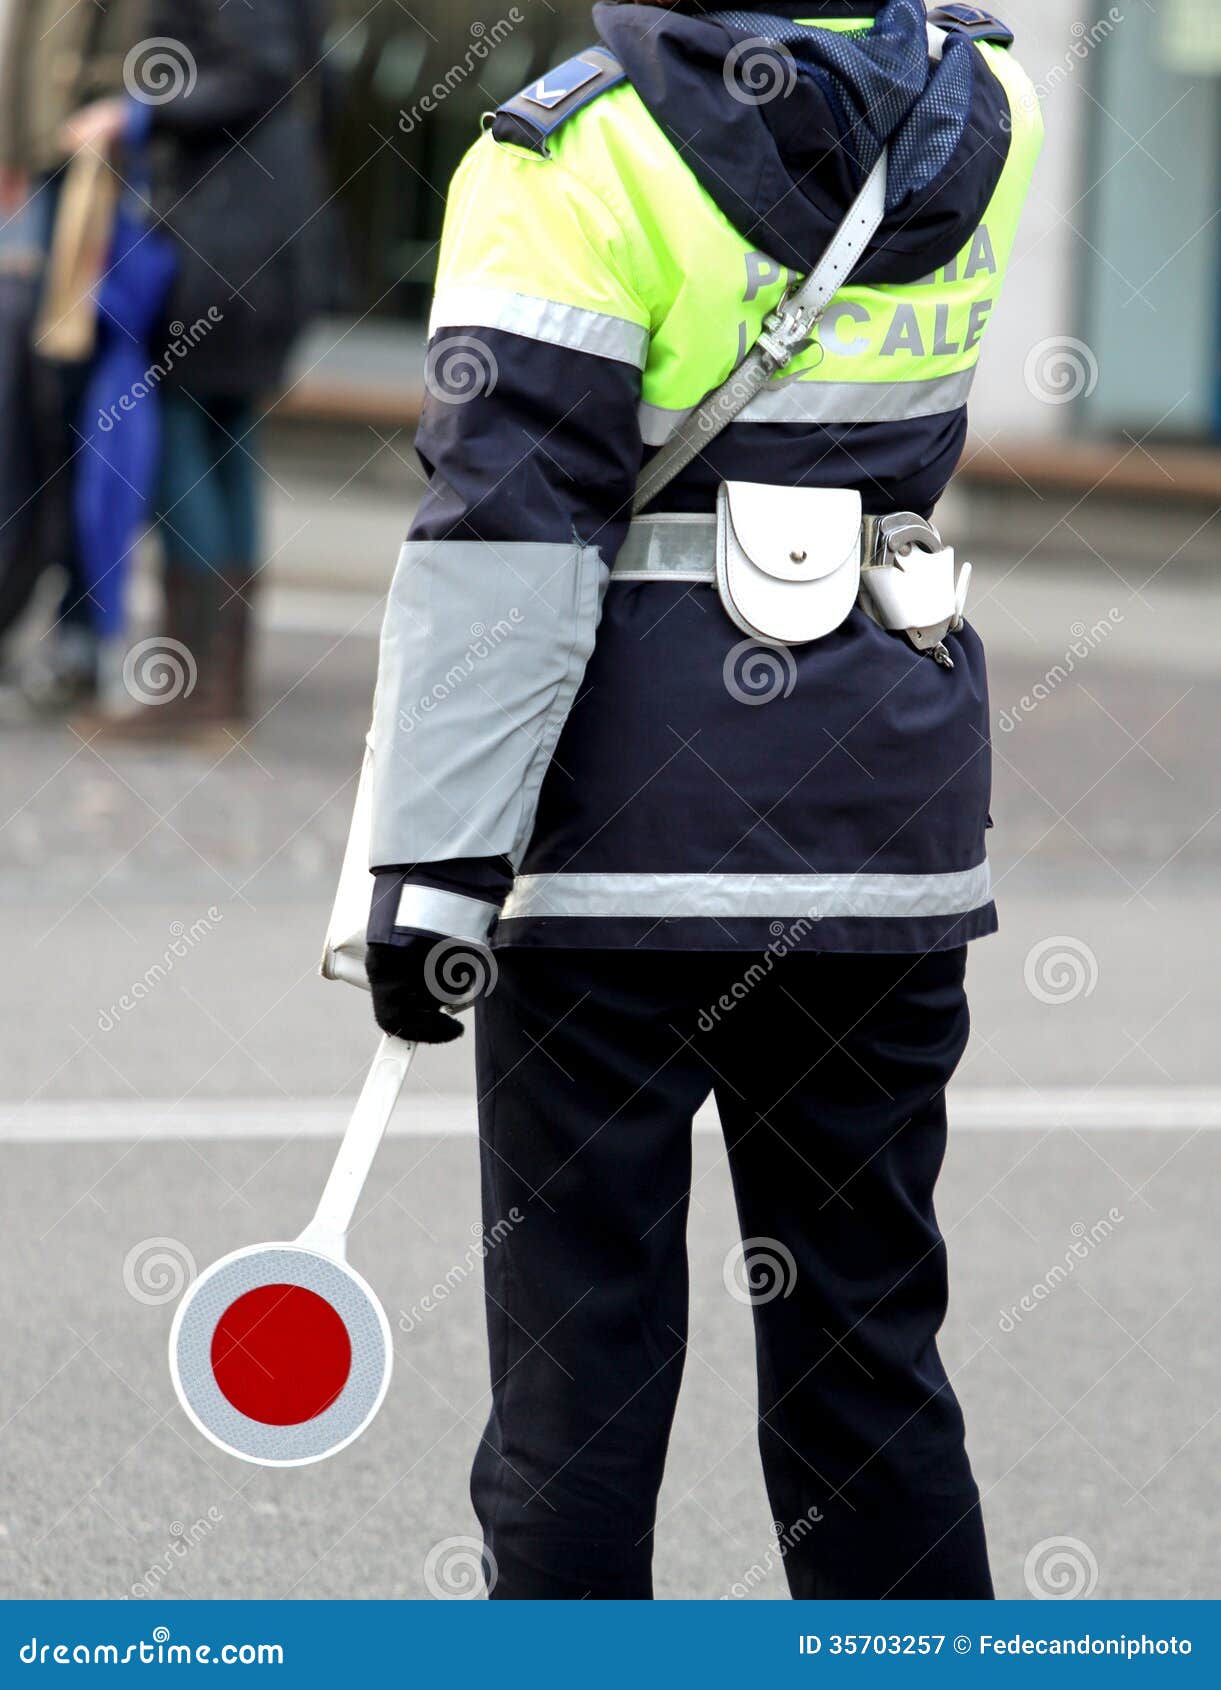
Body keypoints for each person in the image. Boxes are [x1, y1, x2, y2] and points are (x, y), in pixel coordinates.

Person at [361, 0, 1041, 1599]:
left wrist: (436, 867)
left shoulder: (572, 148)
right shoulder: (981, 107)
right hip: (885, 814)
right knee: (868, 1347)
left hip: (620, 836)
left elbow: (510, 530)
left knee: (580, 1365)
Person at [63, 0, 331, 740]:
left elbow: (256, 71)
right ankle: (218, 687)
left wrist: (136, 113)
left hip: (225, 245)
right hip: (263, 239)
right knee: (226, 435)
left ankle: (192, 688)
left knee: (181, 433)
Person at [0, 0, 150, 707]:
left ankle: (79, 635)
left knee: (76, 413)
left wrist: (113, 107)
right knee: (31, 414)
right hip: (42, 175)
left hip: (98, 176)